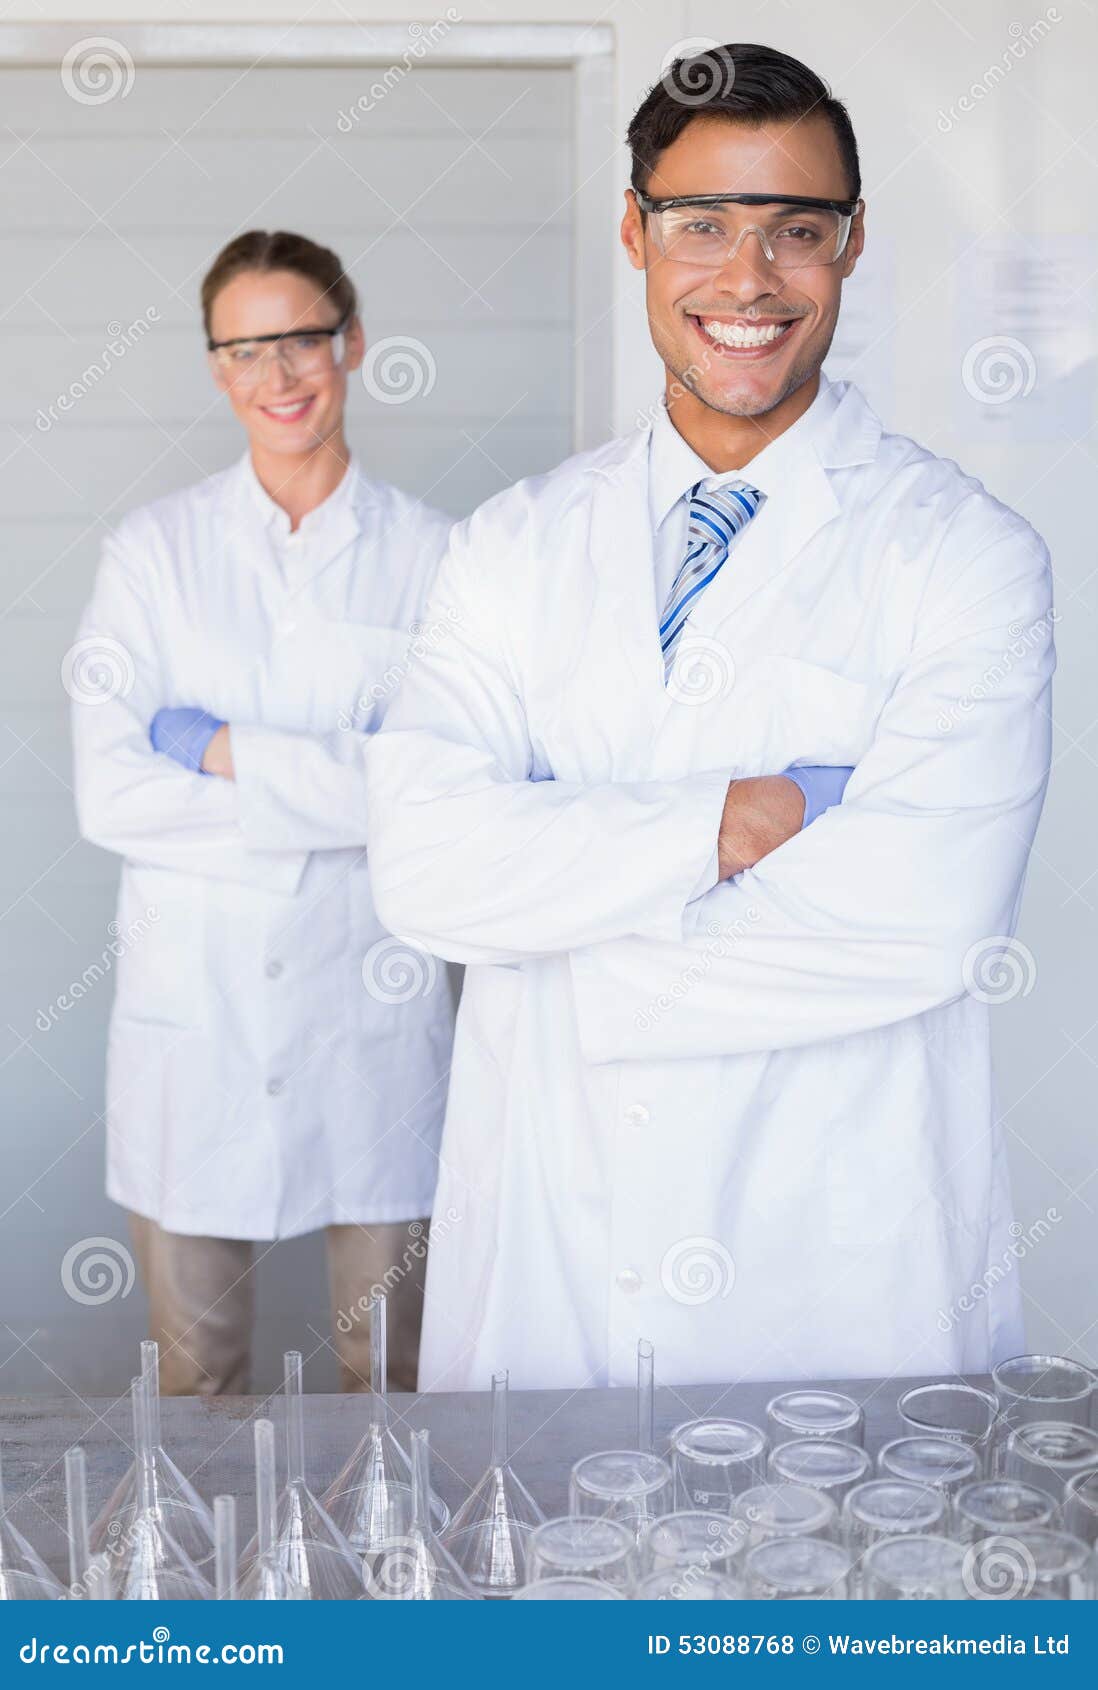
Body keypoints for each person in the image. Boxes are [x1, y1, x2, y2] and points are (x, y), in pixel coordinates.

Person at [364, 45, 1055, 1391]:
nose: (748, 279)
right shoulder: (509, 546)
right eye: (700, 225)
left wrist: (555, 919)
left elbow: (924, 914)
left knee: (835, 1584)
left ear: (850, 246)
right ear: (634, 231)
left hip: (835, 1260)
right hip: (551, 1256)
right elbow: (421, 867)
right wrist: (730, 819)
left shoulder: (965, 555)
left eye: (797, 230)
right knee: (538, 1578)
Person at [72, 230, 455, 1394]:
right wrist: (348, 784)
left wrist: (223, 750)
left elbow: (444, 788)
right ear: (217, 369)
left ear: (353, 346)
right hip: (199, 1025)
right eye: (247, 350)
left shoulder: (438, 555)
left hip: (373, 1013)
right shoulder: (153, 554)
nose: (279, 377)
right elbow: (114, 793)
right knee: (198, 1380)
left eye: (301, 341)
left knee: (391, 1373)